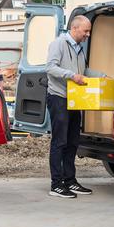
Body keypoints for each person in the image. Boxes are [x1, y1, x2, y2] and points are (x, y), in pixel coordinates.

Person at [45, 14, 97, 199]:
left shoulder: (79, 48)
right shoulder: (58, 44)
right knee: (60, 141)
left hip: (75, 99)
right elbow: (50, 68)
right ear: (74, 28)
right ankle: (56, 184)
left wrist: (102, 76)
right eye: (86, 31)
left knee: (73, 141)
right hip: (59, 97)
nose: (88, 35)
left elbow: (82, 71)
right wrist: (72, 76)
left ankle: (70, 181)